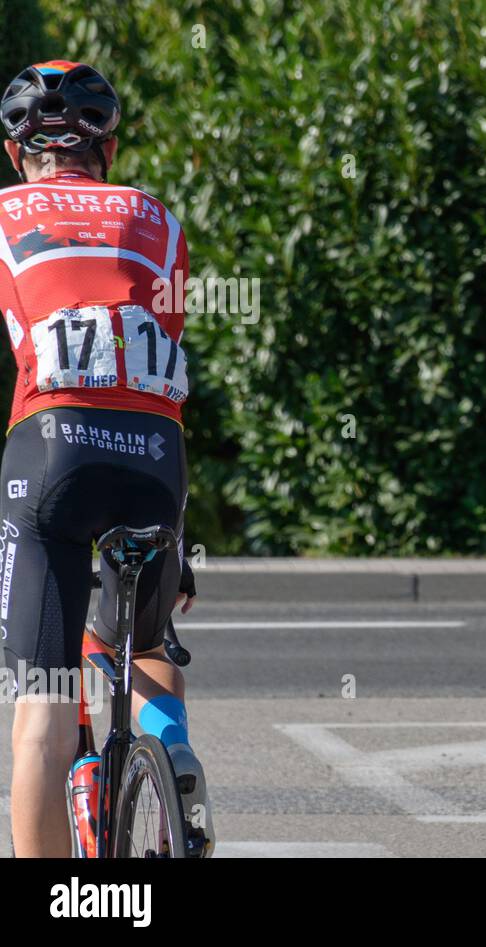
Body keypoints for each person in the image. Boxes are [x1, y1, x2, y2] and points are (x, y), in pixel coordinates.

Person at [0, 60, 211, 856]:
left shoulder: (7, 211)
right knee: (147, 646)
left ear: (19, 154)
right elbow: (157, 354)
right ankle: (172, 749)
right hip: (157, 457)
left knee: (41, 713)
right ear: (109, 148)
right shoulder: (157, 219)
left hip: (51, 450)